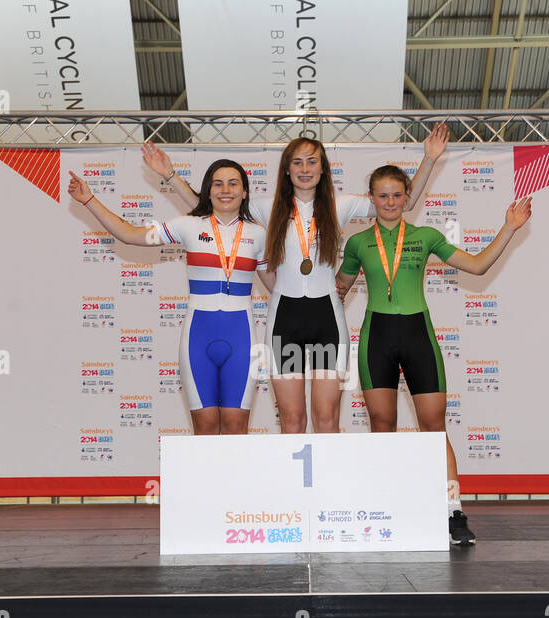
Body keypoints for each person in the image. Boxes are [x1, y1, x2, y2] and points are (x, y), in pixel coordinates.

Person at [140, 124, 448, 434]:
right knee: (292, 420)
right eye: (297, 162)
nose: (305, 169)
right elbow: (213, 205)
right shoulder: (266, 207)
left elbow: (400, 203)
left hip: (328, 320)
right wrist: (170, 176)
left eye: (312, 161)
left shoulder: (342, 205)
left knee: (327, 419)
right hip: (284, 321)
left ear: (323, 168)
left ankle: (325, 484)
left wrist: (429, 160)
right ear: (286, 170)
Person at [336, 165, 532, 546]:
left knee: (434, 427)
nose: (390, 202)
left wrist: (508, 227)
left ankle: (453, 512)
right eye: (382, 195)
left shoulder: (425, 236)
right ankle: (385, 508)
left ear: (407, 197)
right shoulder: (358, 243)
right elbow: (339, 290)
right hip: (376, 335)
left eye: (397, 194)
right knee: (381, 425)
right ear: (371, 199)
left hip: (418, 335)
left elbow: (477, 266)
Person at [67, 160, 271, 435]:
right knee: (206, 429)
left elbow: (275, 286)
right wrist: (89, 199)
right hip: (198, 338)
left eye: (233, 184)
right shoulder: (188, 225)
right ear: (208, 192)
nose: (226, 190)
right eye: (218, 184)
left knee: (236, 429)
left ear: (245, 192)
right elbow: (130, 235)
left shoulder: (258, 235)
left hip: (242, 339)